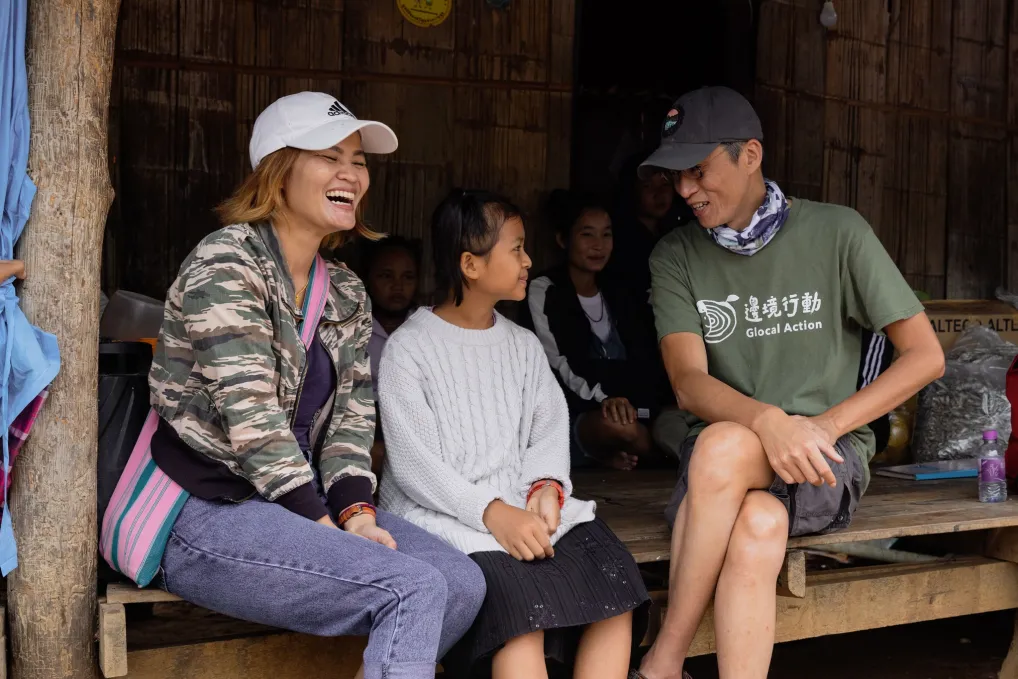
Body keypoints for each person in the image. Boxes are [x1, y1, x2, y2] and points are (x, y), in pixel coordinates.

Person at [101, 92, 485, 679]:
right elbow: (254, 423)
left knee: (460, 582)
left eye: (358, 160)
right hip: (206, 510)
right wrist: (327, 528)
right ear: (278, 169)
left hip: (301, 508)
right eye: (329, 156)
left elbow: (353, 422)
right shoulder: (225, 265)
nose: (350, 174)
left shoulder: (349, 292)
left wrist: (357, 512)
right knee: (410, 588)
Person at [631, 87, 945, 679]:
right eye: (676, 176)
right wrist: (769, 421)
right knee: (757, 521)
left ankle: (662, 660)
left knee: (724, 450)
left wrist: (822, 426)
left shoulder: (839, 232)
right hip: (721, 467)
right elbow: (688, 384)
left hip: (825, 456)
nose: (685, 191)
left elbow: (925, 357)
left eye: (698, 171)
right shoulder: (675, 254)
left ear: (750, 155)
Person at [377, 189, 650, 679]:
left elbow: (546, 429)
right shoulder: (409, 350)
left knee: (613, 585)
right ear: (471, 265)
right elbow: (417, 469)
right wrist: (491, 512)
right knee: (521, 614)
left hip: (517, 503)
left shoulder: (522, 346)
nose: (529, 261)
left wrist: (546, 485)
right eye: (517, 248)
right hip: (443, 513)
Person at [520, 189, 683, 471]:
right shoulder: (545, 290)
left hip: (635, 406)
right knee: (619, 427)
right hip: (580, 410)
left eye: (606, 235)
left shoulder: (620, 291)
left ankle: (625, 455)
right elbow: (556, 362)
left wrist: (642, 401)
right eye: (587, 234)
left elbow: (645, 355)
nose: (599, 245)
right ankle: (666, 461)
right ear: (563, 239)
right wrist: (605, 399)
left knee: (674, 417)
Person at [363, 235, 421, 475]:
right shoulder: (355, 327)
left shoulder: (424, 327)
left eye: (408, 277)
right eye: (386, 276)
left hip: (413, 419)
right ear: (367, 279)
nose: (398, 286)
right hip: (364, 418)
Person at [603, 151, 689, 297]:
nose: (659, 193)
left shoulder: (679, 232)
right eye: (648, 186)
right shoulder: (620, 240)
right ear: (632, 190)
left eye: (665, 184)